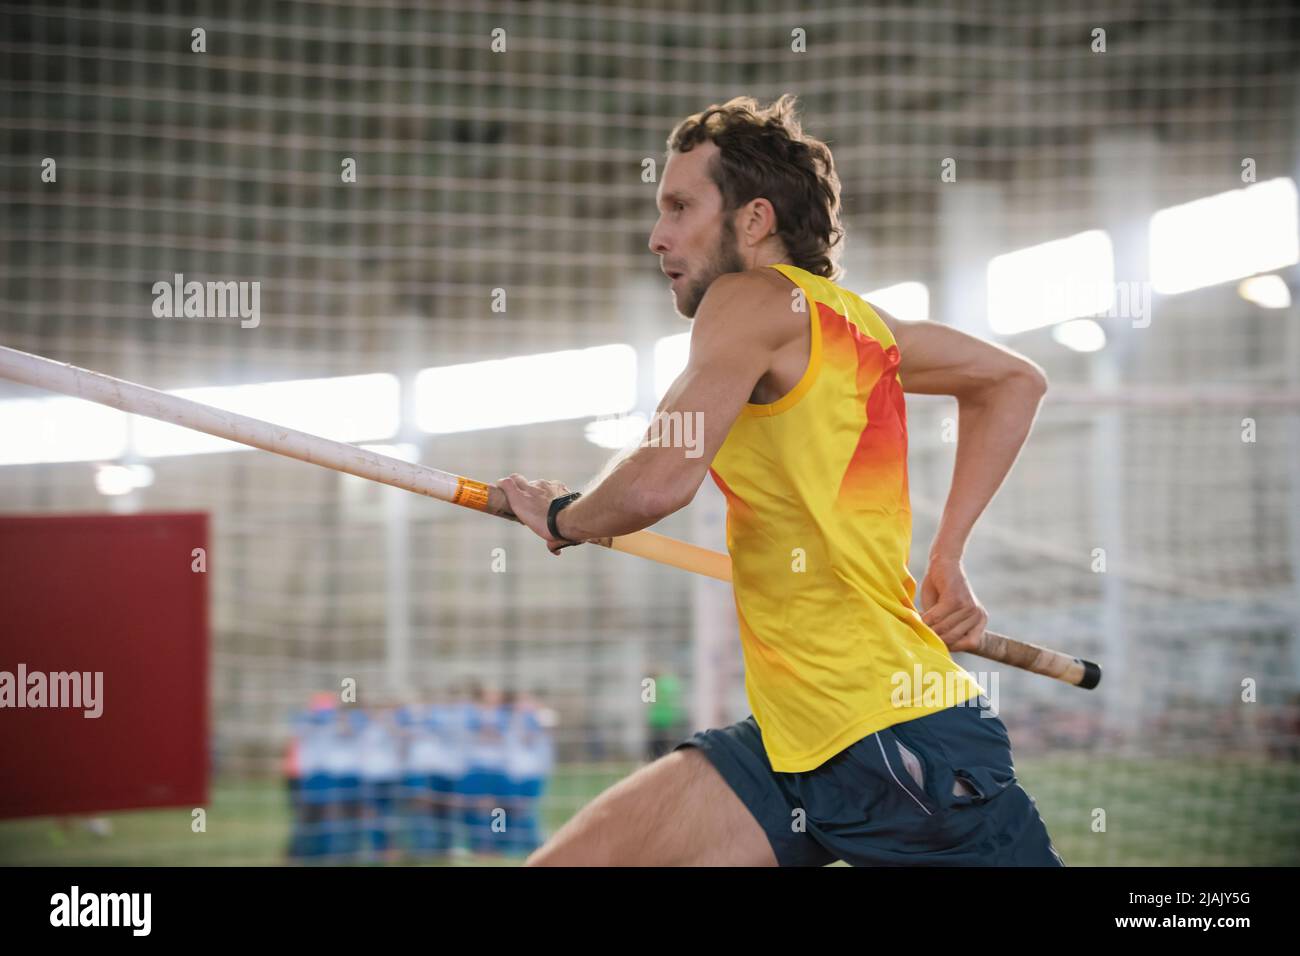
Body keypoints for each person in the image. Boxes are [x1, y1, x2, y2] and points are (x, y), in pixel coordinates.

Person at [497, 94, 1062, 866]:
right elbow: (1012, 381)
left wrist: (560, 515)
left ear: (755, 220)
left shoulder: (746, 299)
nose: (658, 235)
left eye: (680, 206)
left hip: (892, 738)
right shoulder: (857, 326)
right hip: (798, 739)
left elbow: (659, 480)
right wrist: (946, 559)